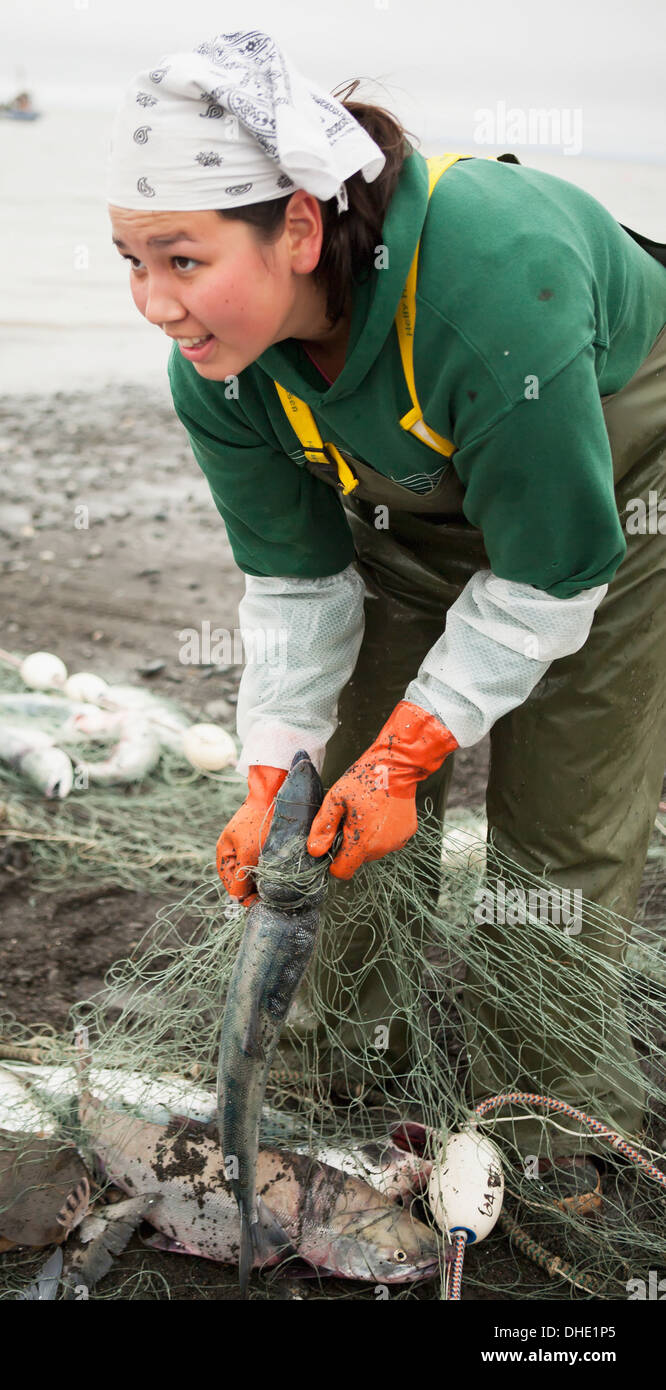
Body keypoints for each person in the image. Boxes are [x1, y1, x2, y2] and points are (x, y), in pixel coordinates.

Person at [105, 30, 666, 1196]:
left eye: (181, 258)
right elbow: (296, 583)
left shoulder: (492, 285)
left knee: (551, 841)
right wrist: (278, 773)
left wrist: (416, 751)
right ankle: (341, 1063)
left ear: (298, 228)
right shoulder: (216, 363)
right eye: (128, 260)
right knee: (323, 827)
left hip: (601, 489)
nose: (155, 302)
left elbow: (549, 573)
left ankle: (546, 1111)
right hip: (403, 503)